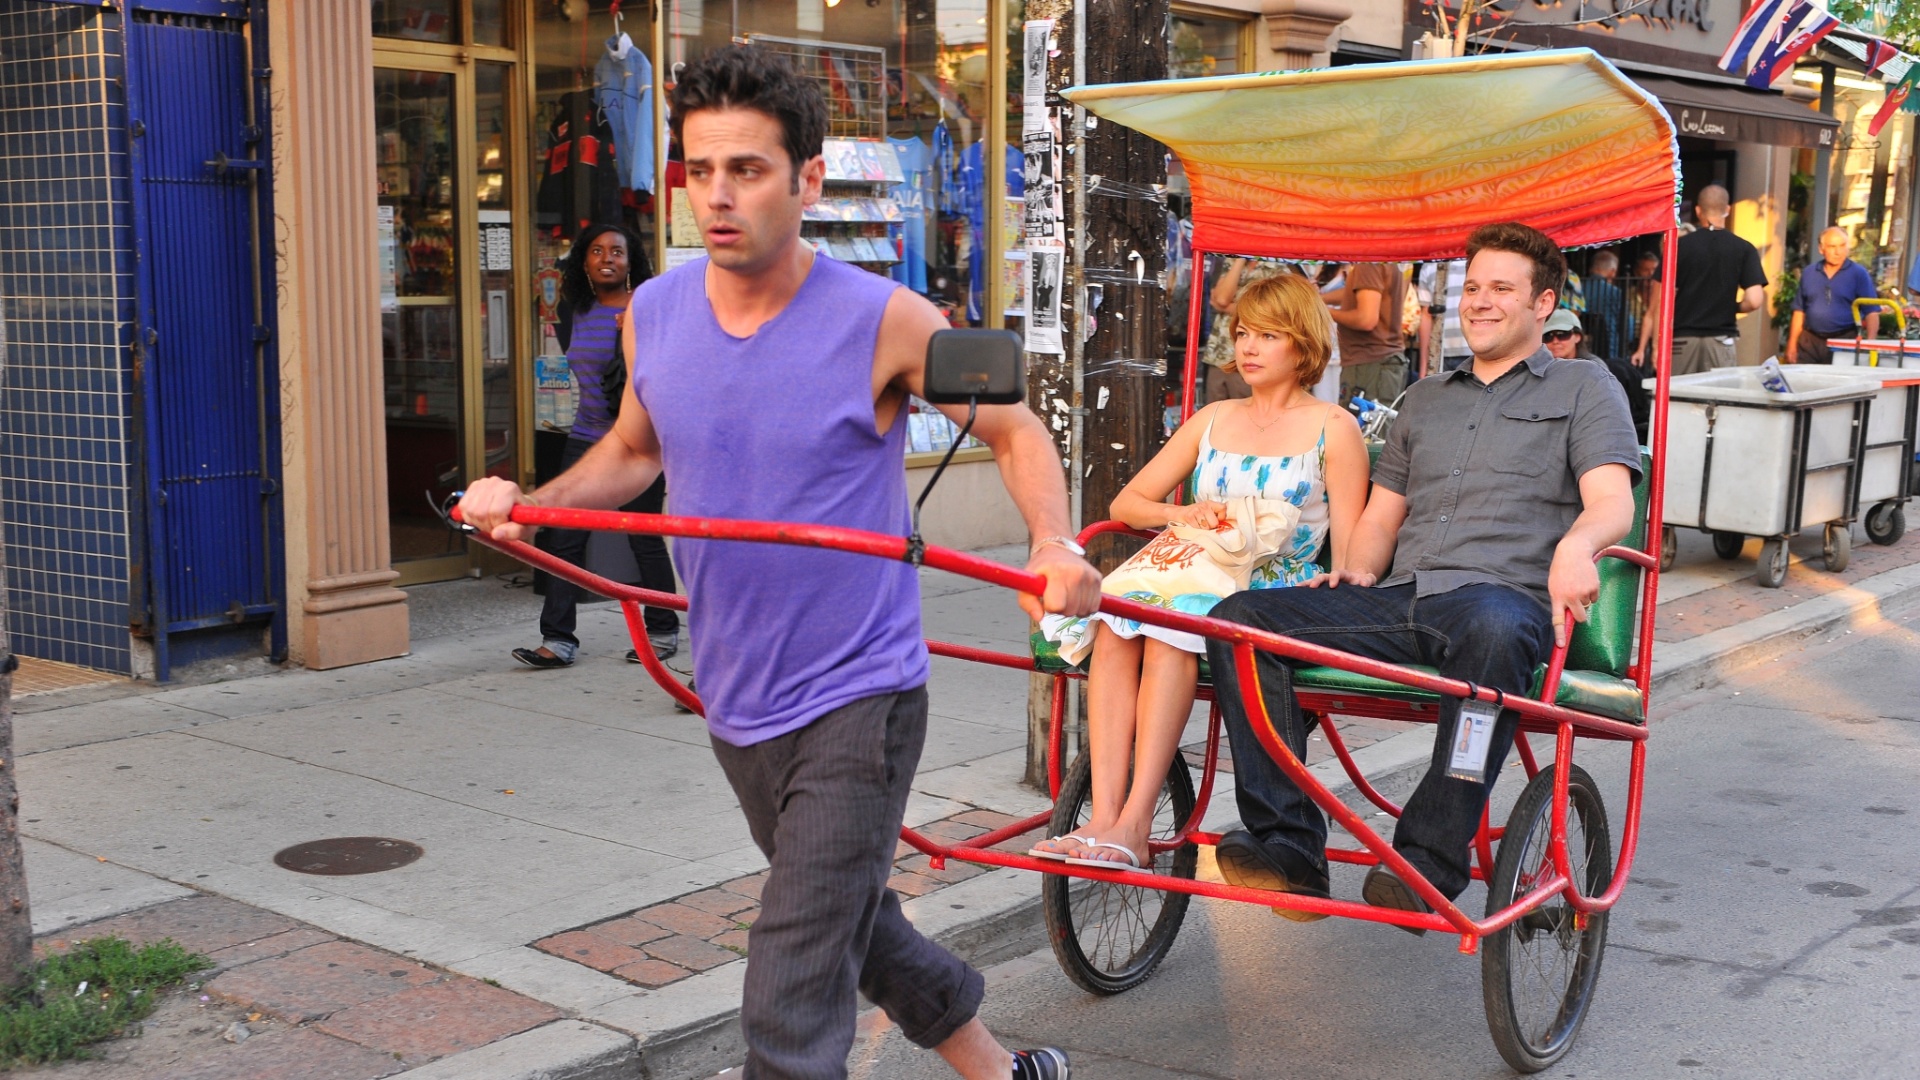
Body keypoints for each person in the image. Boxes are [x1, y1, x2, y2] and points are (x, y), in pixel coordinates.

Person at [460, 46, 1095, 1080]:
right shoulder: (656, 311)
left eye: (747, 169)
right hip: (737, 696)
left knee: (790, 977)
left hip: (861, 693)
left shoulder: (881, 317)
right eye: (700, 169)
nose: (719, 194)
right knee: (852, 917)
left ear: (806, 180)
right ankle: (1005, 1073)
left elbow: (1018, 433)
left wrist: (1055, 545)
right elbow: (634, 450)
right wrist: (528, 507)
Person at [1199, 222, 1640, 925]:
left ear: (1542, 303)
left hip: (1500, 605)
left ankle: (1428, 859)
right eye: (1472, 288)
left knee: (1493, 628)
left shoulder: (1585, 386)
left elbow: (1612, 501)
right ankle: (1289, 848)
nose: (1480, 302)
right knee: (1238, 620)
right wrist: (1352, 573)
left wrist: (1577, 546)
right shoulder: (1426, 397)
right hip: (1403, 600)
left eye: (1502, 289)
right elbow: (1378, 519)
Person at [1033, 275, 1368, 868]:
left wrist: (1338, 585)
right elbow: (1126, 505)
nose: (1249, 346)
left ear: (1302, 343)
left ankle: (1135, 825)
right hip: (1188, 571)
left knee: (1168, 632)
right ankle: (1102, 817)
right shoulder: (1213, 415)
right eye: (1242, 332)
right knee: (1118, 622)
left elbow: (1350, 549)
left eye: (1268, 334)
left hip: (1270, 590)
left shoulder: (1335, 428)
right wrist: (1182, 511)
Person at [513, 224, 683, 669]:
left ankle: (662, 629)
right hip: (586, 437)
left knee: (643, 539)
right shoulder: (574, 311)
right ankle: (558, 639)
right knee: (564, 540)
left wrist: (639, 334)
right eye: (596, 251)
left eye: (617, 252)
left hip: (639, 444)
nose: (607, 258)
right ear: (582, 261)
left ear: (632, 262)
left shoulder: (647, 310)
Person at [1632, 185, 1766, 375]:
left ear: (1697, 210)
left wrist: (1656, 348)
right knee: (1718, 400)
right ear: (1727, 210)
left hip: (1681, 341)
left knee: (1679, 400)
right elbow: (1754, 300)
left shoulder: (1678, 247)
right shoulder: (1744, 249)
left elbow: (1659, 302)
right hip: (1721, 340)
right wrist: (1732, 307)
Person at [1200, 257, 1292, 400]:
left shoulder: (1277, 268)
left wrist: (1225, 307)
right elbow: (1222, 298)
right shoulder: (1231, 262)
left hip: (1251, 354)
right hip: (1219, 352)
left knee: (1245, 407)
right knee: (1215, 411)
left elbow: (1271, 311)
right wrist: (1239, 260)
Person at [1546, 308, 1647, 440]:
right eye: (1548, 336)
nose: (1555, 341)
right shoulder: (1541, 369)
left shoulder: (1595, 368)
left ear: (1577, 336)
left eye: (1562, 334)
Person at [1787, 226, 1880, 364]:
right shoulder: (1809, 273)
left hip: (1843, 340)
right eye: (1832, 246)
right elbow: (1799, 311)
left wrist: (1869, 345)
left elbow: (1872, 312)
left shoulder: (1859, 274)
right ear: (1821, 249)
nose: (1838, 252)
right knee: (1805, 382)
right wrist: (1792, 344)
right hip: (1810, 341)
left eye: (1842, 246)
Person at [1329, 261, 1409, 403]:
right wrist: (1318, 298)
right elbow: (1360, 292)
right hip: (1380, 363)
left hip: (1369, 365)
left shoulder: (1368, 263)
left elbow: (1366, 320)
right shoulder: (1386, 258)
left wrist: (1324, 312)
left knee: (1359, 424)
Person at [1581, 250, 1626, 360]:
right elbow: (1625, 323)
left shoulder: (1579, 287)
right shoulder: (1614, 291)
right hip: (1609, 345)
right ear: (1612, 272)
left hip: (1583, 345)